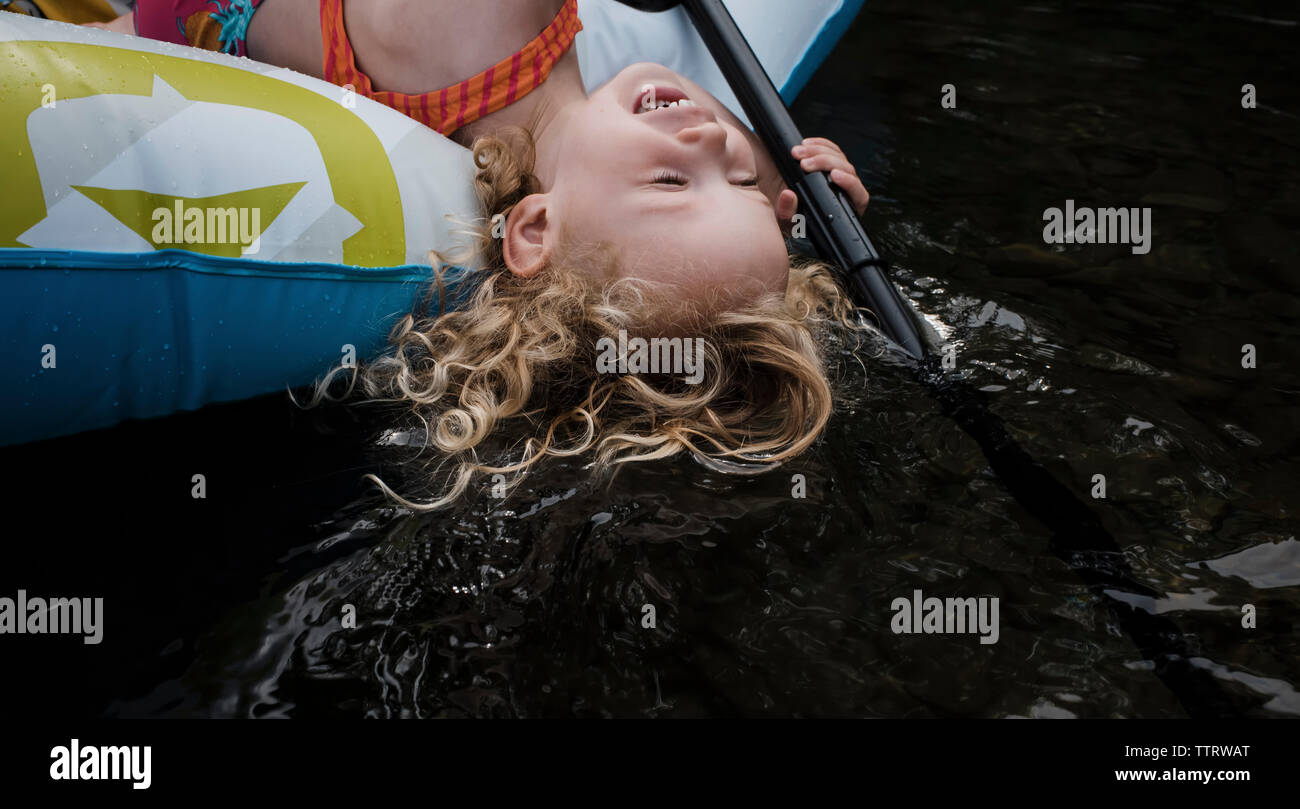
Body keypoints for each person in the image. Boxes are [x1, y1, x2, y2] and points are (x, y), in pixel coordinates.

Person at [96, 0, 875, 508]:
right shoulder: (553, 161)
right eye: (740, 177)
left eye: (674, 178)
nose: (710, 136)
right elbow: (716, 194)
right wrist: (796, 195)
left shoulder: (490, 23)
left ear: (535, 230)